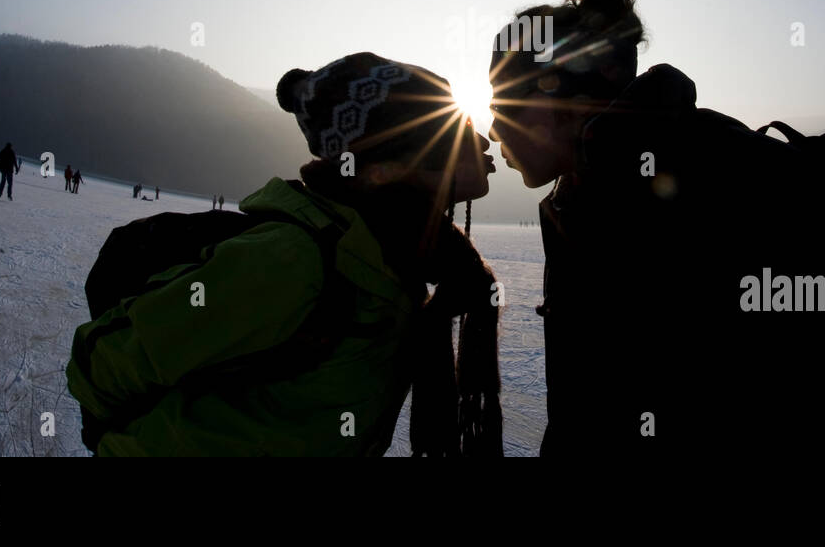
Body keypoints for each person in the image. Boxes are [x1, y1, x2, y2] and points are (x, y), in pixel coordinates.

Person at [488, 0, 825, 458]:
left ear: (569, 98)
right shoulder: (581, 195)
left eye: (504, 104)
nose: (493, 130)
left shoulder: (706, 175)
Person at [67, 52, 501, 456]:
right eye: (452, 131)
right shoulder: (296, 258)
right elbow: (110, 363)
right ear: (388, 161)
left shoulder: (400, 258)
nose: (480, 140)